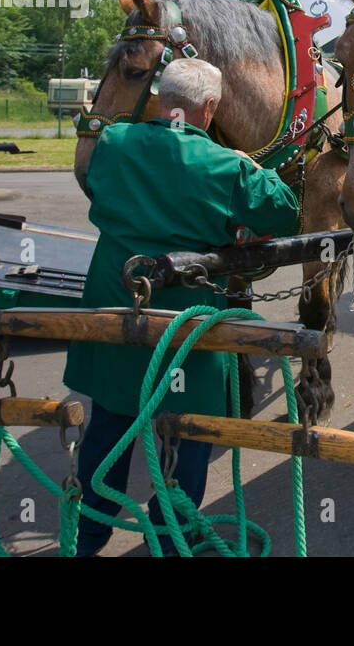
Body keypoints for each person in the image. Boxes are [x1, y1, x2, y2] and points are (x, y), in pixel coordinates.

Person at [65, 56, 299, 556]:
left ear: (159, 98)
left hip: (114, 312)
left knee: (109, 420)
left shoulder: (111, 144)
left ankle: (86, 539)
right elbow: (285, 210)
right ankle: (174, 539)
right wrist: (254, 168)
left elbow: (98, 196)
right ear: (209, 107)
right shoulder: (226, 165)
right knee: (187, 432)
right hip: (184, 327)